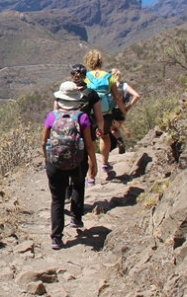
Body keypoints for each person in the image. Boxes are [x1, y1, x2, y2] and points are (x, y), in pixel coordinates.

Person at [42, 81, 98, 249]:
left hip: (55, 164)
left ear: (60, 99)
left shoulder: (52, 116)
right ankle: (76, 218)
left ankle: (56, 238)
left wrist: (48, 158)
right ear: (77, 100)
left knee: (57, 199)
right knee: (78, 184)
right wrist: (93, 162)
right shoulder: (82, 117)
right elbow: (89, 144)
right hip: (77, 162)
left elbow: (44, 141)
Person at [83, 50, 127, 176]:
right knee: (105, 136)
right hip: (106, 112)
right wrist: (123, 110)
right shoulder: (109, 77)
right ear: (100, 61)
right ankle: (105, 163)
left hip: (91, 113)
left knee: (90, 143)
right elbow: (117, 97)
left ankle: (91, 175)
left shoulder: (86, 77)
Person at [68, 63, 103, 187]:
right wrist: (101, 129)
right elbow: (99, 116)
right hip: (86, 128)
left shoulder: (65, 92)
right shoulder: (91, 93)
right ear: (85, 76)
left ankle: (67, 190)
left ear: (71, 76)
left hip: (67, 130)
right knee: (88, 152)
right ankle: (91, 178)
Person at [109, 69, 141, 154]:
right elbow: (137, 96)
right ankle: (120, 143)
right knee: (115, 128)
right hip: (121, 112)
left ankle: (117, 144)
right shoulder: (124, 85)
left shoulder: (109, 85)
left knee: (108, 129)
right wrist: (128, 107)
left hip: (110, 110)